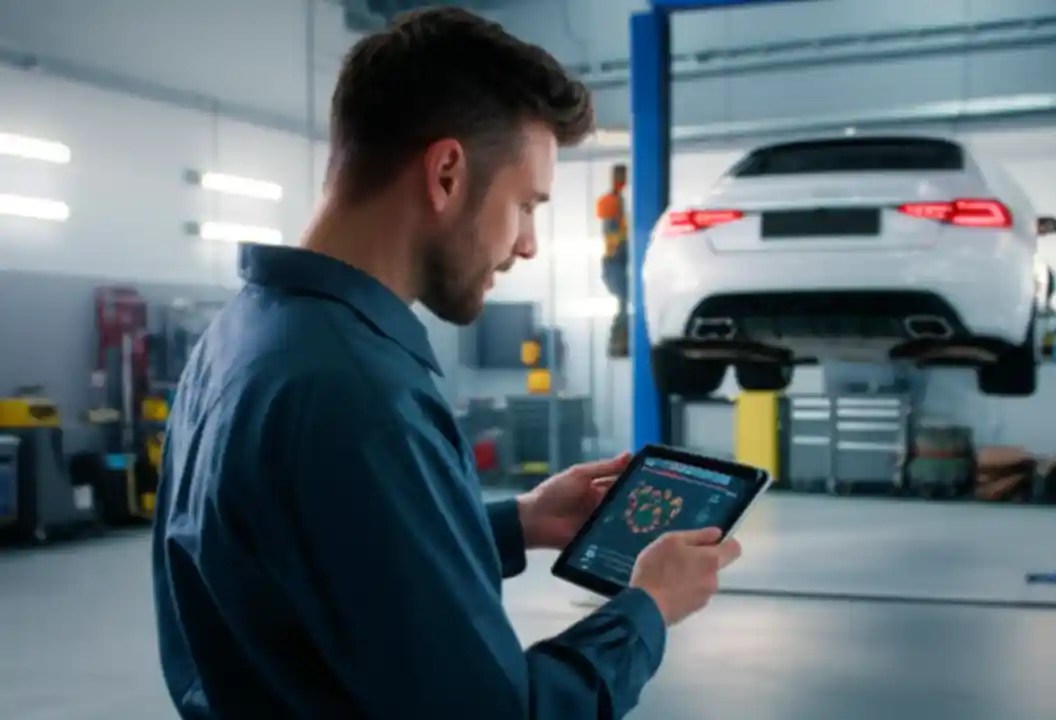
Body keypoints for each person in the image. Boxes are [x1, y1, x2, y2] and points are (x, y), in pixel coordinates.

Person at [151, 8, 742, 719]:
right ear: (447, 173)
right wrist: (649, 607)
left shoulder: (244, 335)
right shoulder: (360, 393)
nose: (527, 245)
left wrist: (516, 521)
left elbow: (330, 573)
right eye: (526, 205)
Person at [596, 163, 629, 357]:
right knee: (624, 302)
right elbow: (610, 231)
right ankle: (619, 344)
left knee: (624, 303)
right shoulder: (610, 201)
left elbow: (614, 231)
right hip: (615, 258)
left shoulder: (616, 201)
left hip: (616, 258)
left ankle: (619, 344)